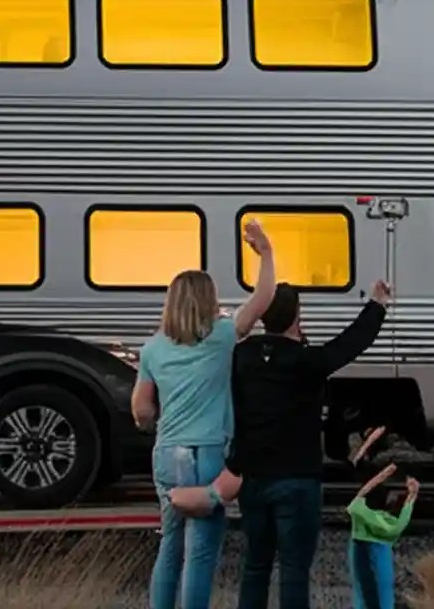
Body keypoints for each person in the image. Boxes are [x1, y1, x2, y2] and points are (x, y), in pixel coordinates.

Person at [131, 220, 278, 609]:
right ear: (208, 301)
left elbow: (141, 410)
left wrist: (157, 416)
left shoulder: (151, 349)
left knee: (170, 544)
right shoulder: (222, 336)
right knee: (200, 552)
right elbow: (263, 299)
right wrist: (265, 253)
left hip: (167, 453)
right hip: (209, 451)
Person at [228, 278, 392, 609]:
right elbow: (350, 344)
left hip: (252, 479)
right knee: (294, 569)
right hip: (297, 479)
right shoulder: (306, 361)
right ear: (297, 316)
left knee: (255, 566)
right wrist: (377, 305)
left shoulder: (241, 356)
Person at [347, 464, 419, 609]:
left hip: (360, 556)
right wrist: (412, 496)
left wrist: (381, 476)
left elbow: (358, 498)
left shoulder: (359, 515)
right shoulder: (391, 525)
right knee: (384, 598)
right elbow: (402, 521)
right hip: (381, 566)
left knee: (362, 596)